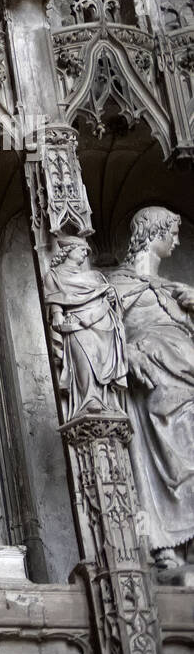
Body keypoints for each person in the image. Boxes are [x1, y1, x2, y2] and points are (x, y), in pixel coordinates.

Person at [109, 207, 194, 571]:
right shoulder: (114, 284)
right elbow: (93, 335)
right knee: (167, 461)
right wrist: (125, 354)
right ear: (154, 233)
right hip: (153, 382)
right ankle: (166, 546)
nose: (176, 241)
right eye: (171, 233)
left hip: (187, 373)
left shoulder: (176, 291)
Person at [45, 234, 126, 416]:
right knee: (84, 361)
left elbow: (109, 295)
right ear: (68, 250)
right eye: (82, 250)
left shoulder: (94, 276)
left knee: (102, 362)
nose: (85, 254)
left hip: (103, 323)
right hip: (78, 324)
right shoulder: (54, 275)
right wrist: (57, 313)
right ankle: (89, 399)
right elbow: (53, 297)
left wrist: (112, 298)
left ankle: (107, 402)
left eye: (87, 251)